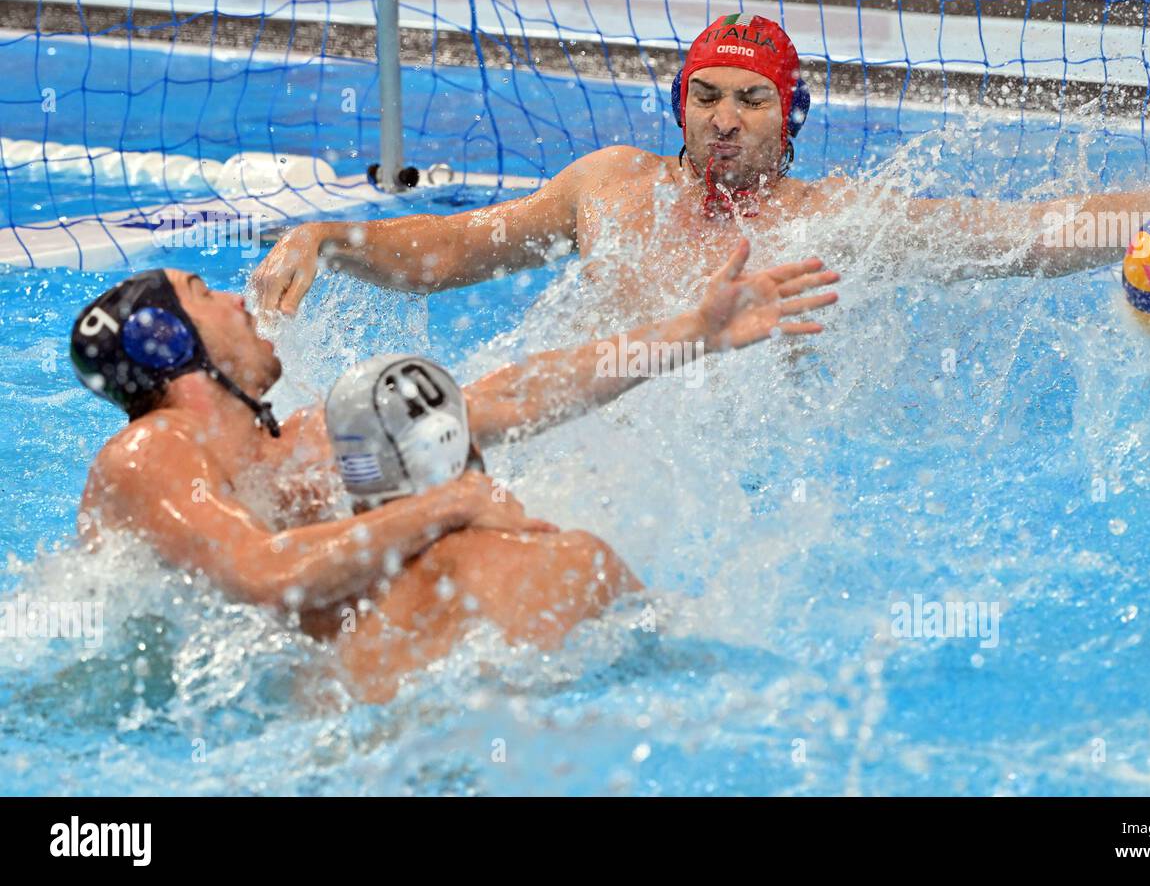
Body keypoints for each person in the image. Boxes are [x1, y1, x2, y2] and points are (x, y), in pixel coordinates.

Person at [73, 240, 837, 702]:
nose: (241, 299)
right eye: (206, 295)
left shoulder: (300, 445)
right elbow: (260, 571)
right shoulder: (151, 450)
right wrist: (454, 504)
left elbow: (509, 395)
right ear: (164, 344)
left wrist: (690, 335)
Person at [249, 12, 1150, 321]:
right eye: (704, 96)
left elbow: (1035, 231)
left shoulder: (836, 214)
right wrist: (330, 236)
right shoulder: (606, 185)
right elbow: (454, 249)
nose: (722, 122)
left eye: (751, 101)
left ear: (788, 120)